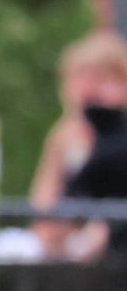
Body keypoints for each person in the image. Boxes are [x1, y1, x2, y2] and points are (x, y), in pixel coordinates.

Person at [29, 29, 127, 262]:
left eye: (102, 79)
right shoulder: (63, 138)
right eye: (81, 78)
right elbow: (43, 210)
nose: (89, 89)